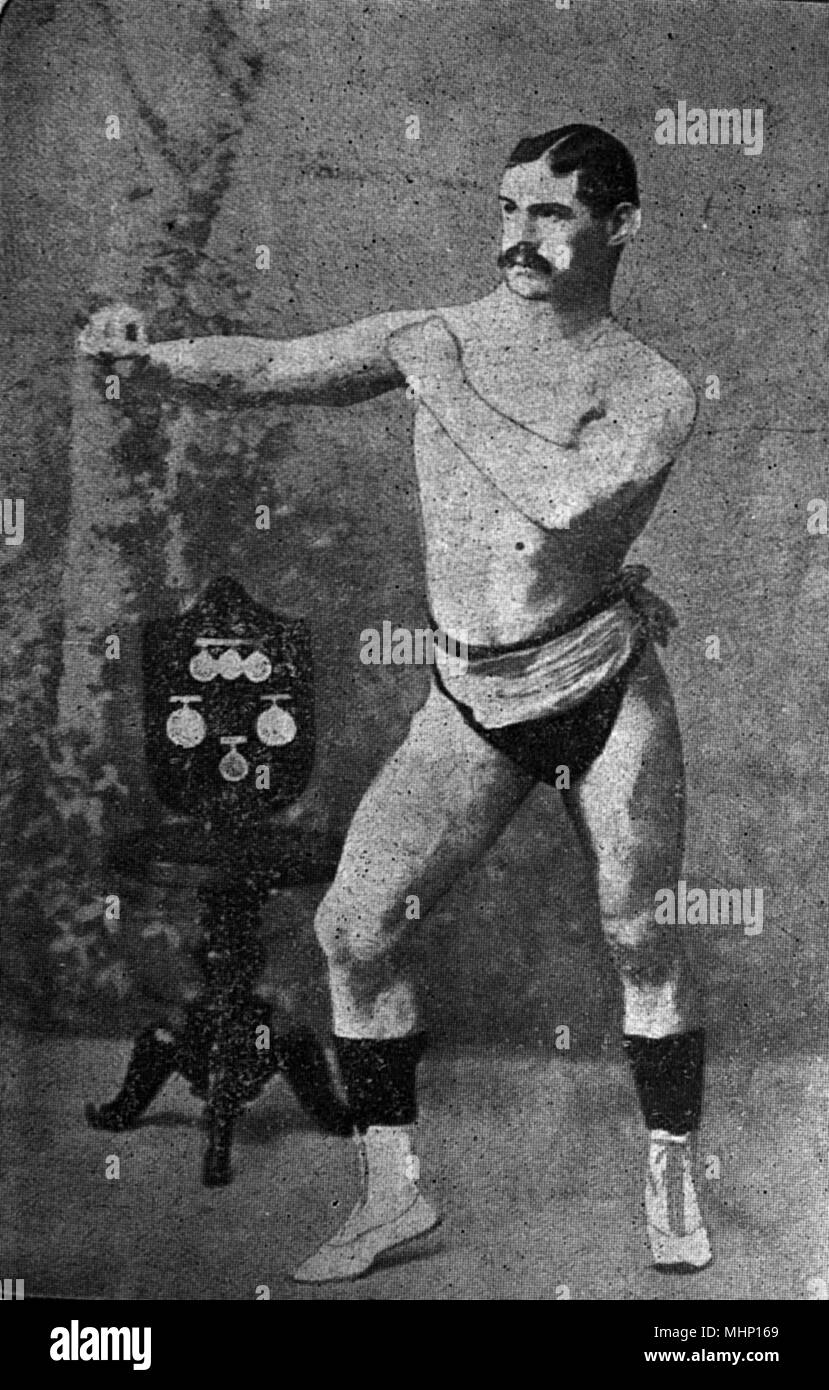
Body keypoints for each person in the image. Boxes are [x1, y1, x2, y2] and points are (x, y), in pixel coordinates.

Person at [81, 123, 711, 1283]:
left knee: (640, 933)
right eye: (508, 208)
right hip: (472, 695)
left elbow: (565, 505)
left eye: (553, 214)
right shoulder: (443, 334)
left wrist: (437, 378)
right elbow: (277, 364)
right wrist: (151, 365)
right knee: (352, 928)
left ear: (620, 226)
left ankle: (671, 1160)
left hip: (600, 686)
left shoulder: (651, 387)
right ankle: (394, 1191)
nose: (518, 238)